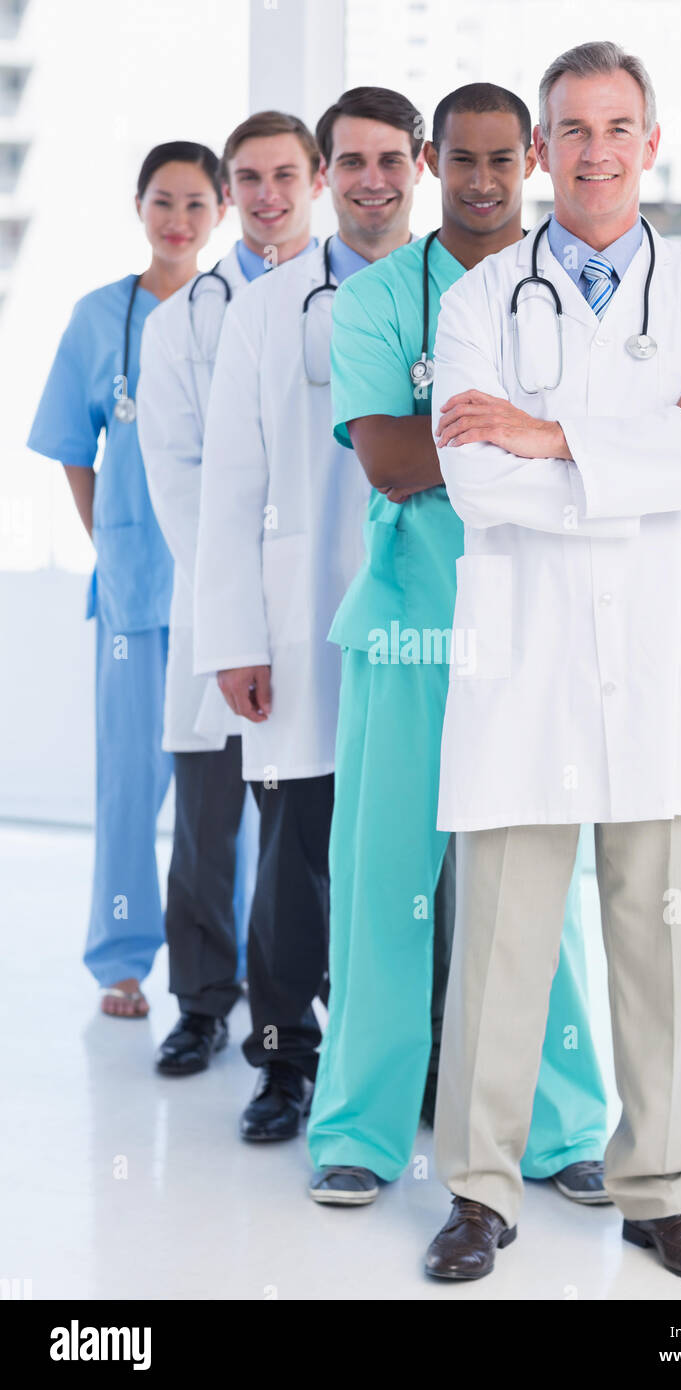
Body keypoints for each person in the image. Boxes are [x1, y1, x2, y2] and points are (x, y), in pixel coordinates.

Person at [424, 41, 681, 1282]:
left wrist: (554, 435)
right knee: (503, 942)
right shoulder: (477, 303)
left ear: (651, 140)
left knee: (665, 940)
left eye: (617, 127)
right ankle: (478, 1194)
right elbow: (476, 482)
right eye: (570, 129)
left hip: (670, 664)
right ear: (540, 150)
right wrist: (636, 453)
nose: (595, 151)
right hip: (529, 665)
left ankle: (661, 1190)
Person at [307, 83, 609, 1210]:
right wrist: (533, 439)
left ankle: (561, 1126)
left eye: (502, 157)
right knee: (385, 885)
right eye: (462, 159)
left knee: (543, 892)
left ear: (530, 156)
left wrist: (525, 435)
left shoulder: (571, 283)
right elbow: (386, 459)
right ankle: (359, 1134)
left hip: (535, 629)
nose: (482, 180)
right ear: (431, 159)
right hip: (407, 629)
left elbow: (613, 441)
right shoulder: (382, 295)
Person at [194, 87, 425, 1142]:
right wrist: (236, 637)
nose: (371, 179)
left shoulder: (461, 294)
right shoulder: (264, 307)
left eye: (390, 158)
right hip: (300, 627)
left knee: (422, 861)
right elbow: (229, 486)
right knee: (292, 859)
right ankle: (285, 1064)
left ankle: (417, 1061)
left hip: (428, 623)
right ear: (326, 175)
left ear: (416, 165)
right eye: (352, 161)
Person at [137, 112, 324, 1077]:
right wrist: (234, 600)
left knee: (302, 835)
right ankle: (203, 1006)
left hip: (311, 614)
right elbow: (175, 473)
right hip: (218, 607)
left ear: (316, 179)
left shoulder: (345, 300)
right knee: (207, 828)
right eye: (247, 179)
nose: (267, 197)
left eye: (284, 175)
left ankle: (293, 1024)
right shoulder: (180, 323)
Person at [28, 142, 225, 1019]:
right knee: (129, 781)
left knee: (236, 792)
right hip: (136, 590)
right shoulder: (98, 317)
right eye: (163, 202)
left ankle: (238, 956)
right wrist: (111, 536)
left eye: (194, 204)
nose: (178, 221)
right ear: (138, 206)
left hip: (223, 589)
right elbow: (74, 446)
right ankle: (121, 958)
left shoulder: (241, 308)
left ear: (221, 210)